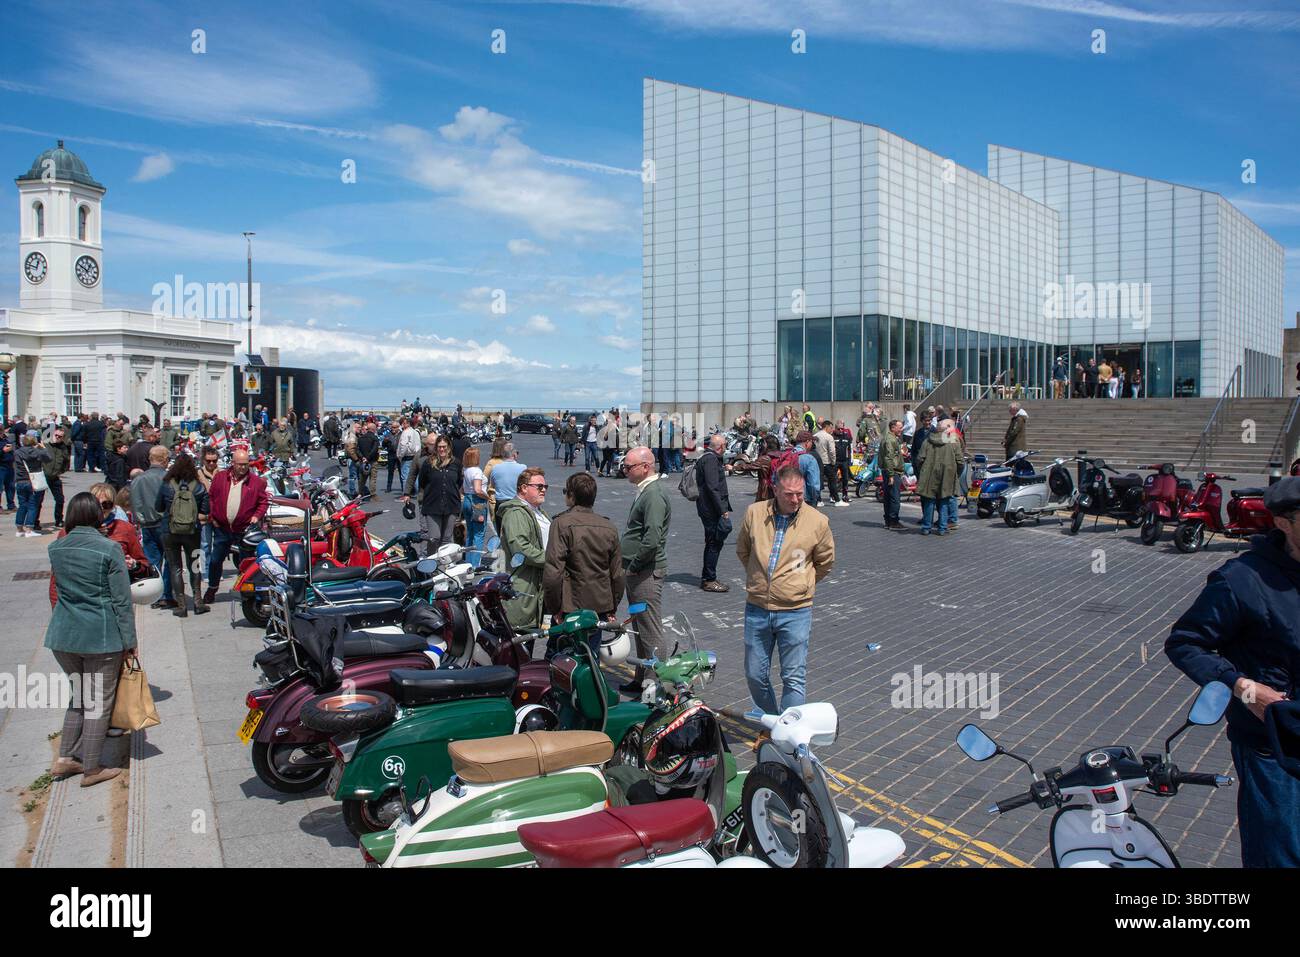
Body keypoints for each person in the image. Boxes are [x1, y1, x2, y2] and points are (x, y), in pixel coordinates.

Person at [1165, 477, 1300, 867]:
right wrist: (1244, 689)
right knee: (1280, 856)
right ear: (1283, 523)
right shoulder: (1242, 580)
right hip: (1275, 746)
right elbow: (1185, 643)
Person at [45, 493, 138, 788]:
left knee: (79, 697)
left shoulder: (56, 547)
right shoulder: (108, 549)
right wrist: (130, 641)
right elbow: (122, 601)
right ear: (97, 515)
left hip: (63, 635)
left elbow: (58, 589)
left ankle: (66, 758)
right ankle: (92, 767)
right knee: (98, 703)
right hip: (100, 635)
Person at [735, 465, 835, 716]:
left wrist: (802, 584)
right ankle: (773, 720)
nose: (795, 499)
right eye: (789, 494)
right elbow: (743, 551)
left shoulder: (817, 521)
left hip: (796, 610)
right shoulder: (755, 513)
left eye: (800, 494)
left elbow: (825, 562)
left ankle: (787, 735)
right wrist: (760, 579)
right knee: (754, 675)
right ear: (775, 489)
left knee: (794, 677)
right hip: (757, 607)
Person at [619, 446, 671, 695]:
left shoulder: (653, 495)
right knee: (640, 626)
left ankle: (655, 682)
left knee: (650, 628)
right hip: (638, 571)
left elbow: (652, 538)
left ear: (645, 467)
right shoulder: (645, 491)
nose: (625, 470)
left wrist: (635, 565)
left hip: (645, 573)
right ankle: (642, 677)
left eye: (629, 466)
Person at [543, 471, 624, 628]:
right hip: (600, 604)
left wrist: (554, 607)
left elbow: (553, 571)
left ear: (572, 496)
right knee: (592, 649)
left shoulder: (561, 524)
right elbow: (617, 574)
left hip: (570, 605)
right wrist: (612, 606)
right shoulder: (609, 527)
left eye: (565, 491)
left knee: (562, 650)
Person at [49, 482, 150, 606]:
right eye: (97, 504)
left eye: (106, 504)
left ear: (113, 506)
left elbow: (144, 565)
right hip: (79, 600)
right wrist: (56, 608)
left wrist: (134, 565)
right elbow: (57, 577)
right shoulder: (68, 532)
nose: (102, 508)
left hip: (114, 600)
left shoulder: (124, 529)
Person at [204, 447, 269, 605]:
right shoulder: (220, 477)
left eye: (245, 464)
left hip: (244, 529)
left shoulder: (256, 481)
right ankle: (212, 588)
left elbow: (263, 502)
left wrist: (256, 516)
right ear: (232, 463)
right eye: (239, 464)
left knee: (246, 562)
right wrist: (213, 517)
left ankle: (246, 592)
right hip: (222, 528)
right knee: (215, 560)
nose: (242, 467)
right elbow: (211, 498)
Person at [156, 452, 210, 617]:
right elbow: (206, 510)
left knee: (175, 567)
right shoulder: (199, 487)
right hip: (193, 532)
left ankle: (181, 605)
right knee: (195, 565)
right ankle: (198, 602)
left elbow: (158, 507)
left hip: (170, 531)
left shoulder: (166, 485)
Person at [499, 467, 551, 630]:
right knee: (522, 637)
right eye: (539, 486)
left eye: (545, 487)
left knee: (540, 631)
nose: (543, 490)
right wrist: (552, 560)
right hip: (524, 585)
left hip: (540, 585)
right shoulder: (516, 513)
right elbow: (521, 548)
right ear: (523, 488)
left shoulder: (540, 513)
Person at [131, 446, 175, 609]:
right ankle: (166, 594)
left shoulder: (139, 479)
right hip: (166, 525)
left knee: (153, 561)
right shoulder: (168, 478)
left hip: (147, 524)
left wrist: (142, 521)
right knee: (171, 561)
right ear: (164, 460)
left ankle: (155, 595)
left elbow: (136, 505)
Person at [403, 434, 461, 556]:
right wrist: (407, 493)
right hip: (431, 504)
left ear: (449, 447)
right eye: (439, 447)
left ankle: (444, 567)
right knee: (433, 537)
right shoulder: (427, 463)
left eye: (444, 446)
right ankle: (428, 561)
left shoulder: (456, 463)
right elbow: (420, 480)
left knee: (446, 539)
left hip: (450, 505)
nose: (442, 449)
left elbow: (459, 481)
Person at [695, 434, 733, 593]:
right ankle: (709, 579)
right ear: (720, 446)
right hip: (711, 509)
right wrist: (722, 510)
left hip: (708, 507)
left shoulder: (706, 458)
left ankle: (708, 576)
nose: (725, 448)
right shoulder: (710, 460)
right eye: (725, 445)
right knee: (714, 542)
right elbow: (712, 487)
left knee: (713, 541)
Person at [917, 419, 963, 535]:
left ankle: (926, 527)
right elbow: (960, 461)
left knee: (929, 500)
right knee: (944, 500)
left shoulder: (927, 441)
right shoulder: (952, 441)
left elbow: (920, 459)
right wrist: (956, 473)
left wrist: (923, 470)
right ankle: (942, 528)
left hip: (929, 474)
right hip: (947, 474)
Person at [14, 433, 52, 537]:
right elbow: (49, 458)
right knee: (32, 505)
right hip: (33, 481)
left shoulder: (17, 452)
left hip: (20, 481)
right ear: (34, 442)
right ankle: (29, 529)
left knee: (22, 505)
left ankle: (19, 529)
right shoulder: (37, 452)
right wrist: (43, 448)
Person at [43, 424, 72, 527]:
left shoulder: (63, 447)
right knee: (38, 499)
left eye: (61, 437)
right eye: (57, 436)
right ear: (52, 434)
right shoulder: (45, 444)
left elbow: (66, 461)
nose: (58, 438)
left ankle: (58, 519)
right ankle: (34, 521)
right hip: (43, 475)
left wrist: (61, 471)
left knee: (60, 499)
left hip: (55, 476)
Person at [461, 446, 489, 550]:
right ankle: (476, 562)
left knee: (470, 532)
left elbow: (462, 489)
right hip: (477, 503)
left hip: (467, 500)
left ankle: (469, 559)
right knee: (479, 534)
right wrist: (487, 497)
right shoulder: (477, 471)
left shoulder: (466, 470)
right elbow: (478, 490)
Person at [880, 420, 905, 530]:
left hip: (888, 470)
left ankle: (888, 521)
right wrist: (891, 475)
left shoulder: (890, 438)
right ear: (893, 427)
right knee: (894, 497)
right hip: (892, 471)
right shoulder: (890, 440)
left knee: (888, 497)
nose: (902, 429)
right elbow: (888, 458)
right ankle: (893, 521)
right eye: (900, 427)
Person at [813, 420, 839, 505]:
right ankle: (836, 500)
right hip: (826, 462)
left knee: (818, 481)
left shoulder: (815, 436)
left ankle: (818, 500)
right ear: (826, 427)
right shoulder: (829, 437)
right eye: (831, 428)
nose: (832, 430)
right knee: (832, 481)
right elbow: (832, 451)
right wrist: (833, 462)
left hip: (816, 461)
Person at [794, 431, 821, 506]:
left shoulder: (787, 454)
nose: (812, 444)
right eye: (812, 442)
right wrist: (814, 499)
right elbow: (813, 484)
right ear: (807, 442)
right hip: (804, 499)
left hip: (787, 497)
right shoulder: (809, 459)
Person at [395, 416, 421, 491]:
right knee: (414, 476)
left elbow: (403, 446)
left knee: (405, 477)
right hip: (415, 456)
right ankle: (418, 492)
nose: (402, 425)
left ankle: (406, 493)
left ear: (408, 424)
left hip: (407, 457)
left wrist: (400, 456)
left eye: (403, 423)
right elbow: (418, 445)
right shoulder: (416, 432)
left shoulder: (405, 432)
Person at [0, 426, 15, 513]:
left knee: (10, 486)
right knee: (0, 487)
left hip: (9, 465)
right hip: (1, 466)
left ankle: (11, 505)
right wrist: (3, 451)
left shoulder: (6, 438)